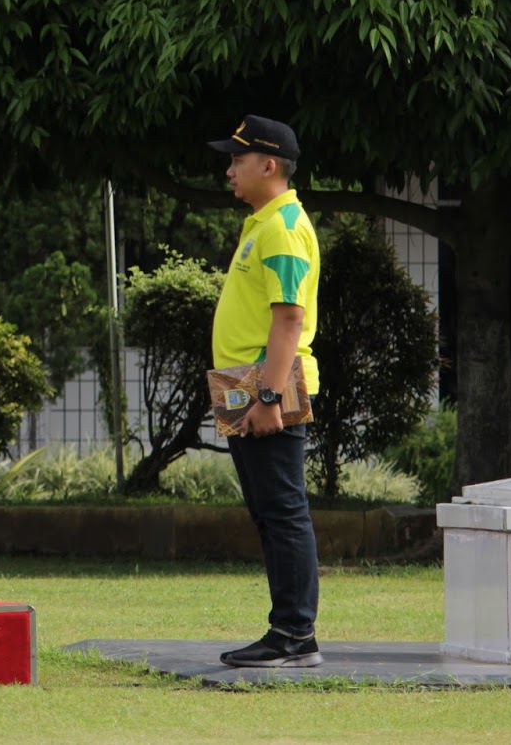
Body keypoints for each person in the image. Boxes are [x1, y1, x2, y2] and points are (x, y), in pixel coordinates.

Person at [208, 115, 323, 668]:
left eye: (237, 160)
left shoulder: (281, 227)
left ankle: (295, 636)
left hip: (267, 388)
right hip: (243, 386)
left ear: (268, 165)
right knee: (269, 513)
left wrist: (270, 399)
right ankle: (287, 631)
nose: (229, 170)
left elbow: (289, 320)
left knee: (282, 511)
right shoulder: (262, 222)